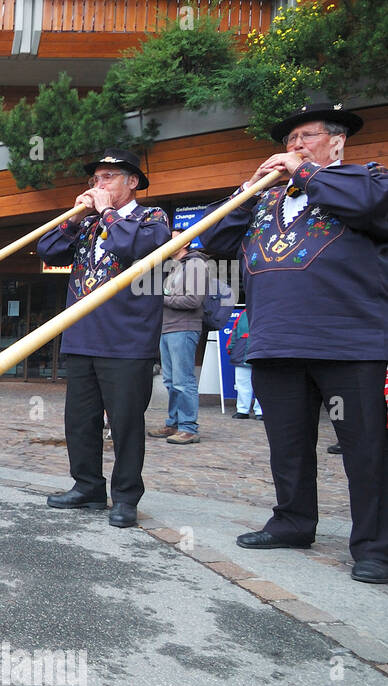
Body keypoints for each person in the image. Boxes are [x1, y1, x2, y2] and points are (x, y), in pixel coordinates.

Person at [199, 103, 388, 584]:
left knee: (363, 448)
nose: (294, 147)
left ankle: (375, 546)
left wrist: (304, 172)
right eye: (290, 141)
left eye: (306, 137)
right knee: (287, 446)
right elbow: (216, 239)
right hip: (275, 341)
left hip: (348, 343)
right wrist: (246, 191)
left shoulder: (367, 179)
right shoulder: (268, 199)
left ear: (338, 141)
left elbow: (367, 209)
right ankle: (293, 521)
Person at [38, 149, 172, 529]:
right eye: (96, 178)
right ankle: (88, 486)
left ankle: (126, 496)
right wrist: (78, 216)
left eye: (108, 178)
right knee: (79, 421)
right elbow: (48, 251)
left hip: (127, 341)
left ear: (132, 182)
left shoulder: (152, 219)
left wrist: (107, 213)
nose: (99, 185)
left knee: (126, 422)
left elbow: (136, 248)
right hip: (81, 337)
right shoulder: (88, 224)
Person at [149, 229, 207, 444]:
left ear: (186, 241)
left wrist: (160, 298)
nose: (167, 243)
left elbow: (193, 300)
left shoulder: (196, 264)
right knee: (171, 381)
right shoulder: (176, 267)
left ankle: (189, 428)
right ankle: (174, 423)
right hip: (169, 328)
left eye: (172, 239)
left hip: (184, 328)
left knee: (183, 381)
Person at [225, 309, 262, 420]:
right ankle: (243, 410)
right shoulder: (243, 314)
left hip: (259, 353)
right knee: (242, 384)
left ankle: (259, 411)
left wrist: (232, 348)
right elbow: (235, 333)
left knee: (260, 385)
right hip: (245, 353)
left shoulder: (245, 313)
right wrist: (231, 347)